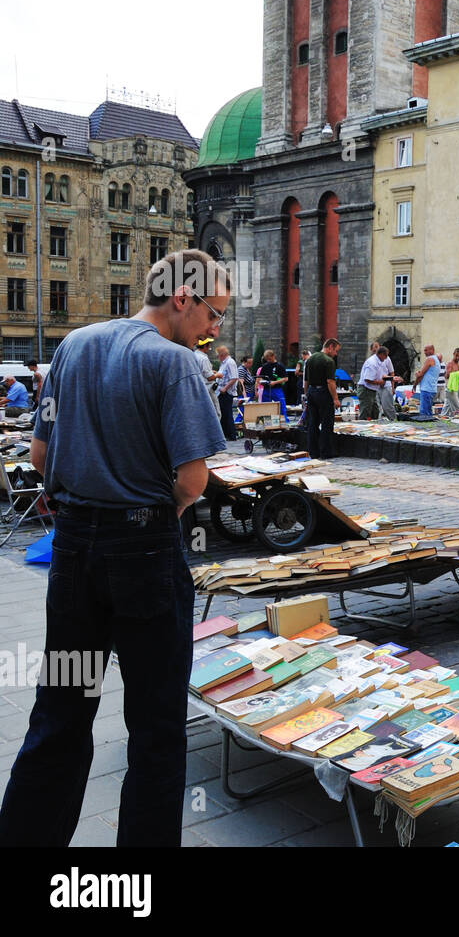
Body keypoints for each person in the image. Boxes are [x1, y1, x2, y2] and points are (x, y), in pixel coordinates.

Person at [0, 249, 229, 846]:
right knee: (155, 728)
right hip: (144, 552)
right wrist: (159, 516)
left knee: (60, 713)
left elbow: (41, 458)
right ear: (183, 297)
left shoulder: (75, 345)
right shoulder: (175, 364)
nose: (213, 330)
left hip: (74, 549)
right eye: (213, 314)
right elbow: (193, 479)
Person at [303, 339, 342, 459]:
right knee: (327, 423)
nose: (336, 354)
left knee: (313, 423)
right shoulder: (328, 361)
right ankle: (326, 452)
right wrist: (335, 399)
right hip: (324, 393)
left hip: (311, 392)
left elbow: (306, 380)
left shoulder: (310, 359)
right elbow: (330, 381)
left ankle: (313, 452)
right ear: (330, 347)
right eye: (335, 351)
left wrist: (306, 394)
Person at [357, 346, 391, 420]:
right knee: (365, 411)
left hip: (372, 390)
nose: (386, 358)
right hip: (366, 389)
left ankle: (373, 427)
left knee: (375, 411)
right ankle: (362, 427)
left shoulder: (379, 362)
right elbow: (367, 379)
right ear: (381, 354)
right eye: (386, 355)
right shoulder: (372, 363)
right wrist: (380, 382)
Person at [215, 344, 240, 440]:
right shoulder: (224, 363)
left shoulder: (230, 362)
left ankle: (231, 435)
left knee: (227, 414)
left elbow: (234, 378)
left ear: (222, 355)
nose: (217, 357)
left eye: (218, 355)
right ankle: (226, 434)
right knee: (224, 414)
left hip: (226, 393)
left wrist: (225, 388)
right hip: (221, 392)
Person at [412, 345, 443, 418]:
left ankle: (425, 428)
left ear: (432, 350)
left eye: (426, 350)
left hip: (427, 388)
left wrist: (415, 385)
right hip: (432, 388)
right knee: (428, 412)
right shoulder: (436, 360)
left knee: (424, 414)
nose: (424, 352)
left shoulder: (430, 359)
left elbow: (420, 374)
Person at [257, 349, 288, 416]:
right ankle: (266, 421)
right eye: (267, 359)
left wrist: (275, 382)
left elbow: (285, 379)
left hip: (277, 389)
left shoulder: (280, 366)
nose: (268, 361)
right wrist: (262, 381)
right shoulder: (265, 366)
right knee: (265, 406)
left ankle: (283, 420)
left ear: (273, 356)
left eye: (269, 359)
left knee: (281, 406)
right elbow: (260, 377)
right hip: (266, 389)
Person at [194, 338, 220, 414]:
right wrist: (218, 375)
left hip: (198, 388)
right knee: (216, 412)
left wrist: (211, 371)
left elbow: (200, 371)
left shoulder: (194, 355)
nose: (209, 348)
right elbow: (210, 377)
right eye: (209, 346)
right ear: (205, 346)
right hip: (208, 389)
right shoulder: (203, 358)